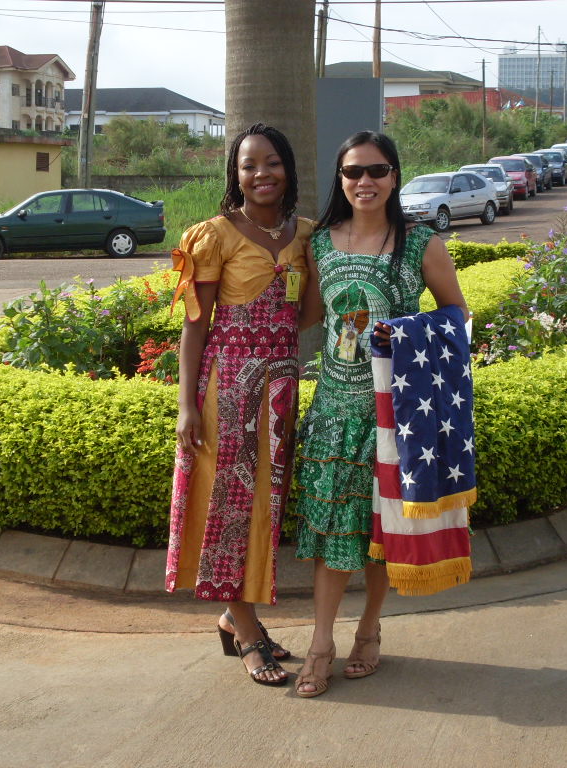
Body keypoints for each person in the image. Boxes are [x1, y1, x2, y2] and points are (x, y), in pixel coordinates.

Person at [293, 131, 469, 698]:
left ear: (394, 176)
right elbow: (311, 321)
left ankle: (368, 631)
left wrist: (404, 334)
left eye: (375, 171)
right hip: (333, 413)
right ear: (340, 181)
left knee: (378, 533)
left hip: (397, 418)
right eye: (351, 173)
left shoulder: (420, 245)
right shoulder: (320, 244)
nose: (363, 182)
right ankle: (321, 643)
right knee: (329, 533)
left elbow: (457, 317)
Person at [166, 123, 314, 687]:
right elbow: (193, 329)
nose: (261, 175)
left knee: (263, 506)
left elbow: (307, 316)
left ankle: (234, 614)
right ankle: (248, 629)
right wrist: (187, 406)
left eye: (271, 163)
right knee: (226, 504)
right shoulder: (214, 235)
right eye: (249, 165)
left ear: (288, 169)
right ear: (236, 174)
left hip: (280, 387)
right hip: (224, 387)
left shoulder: (306, 235)